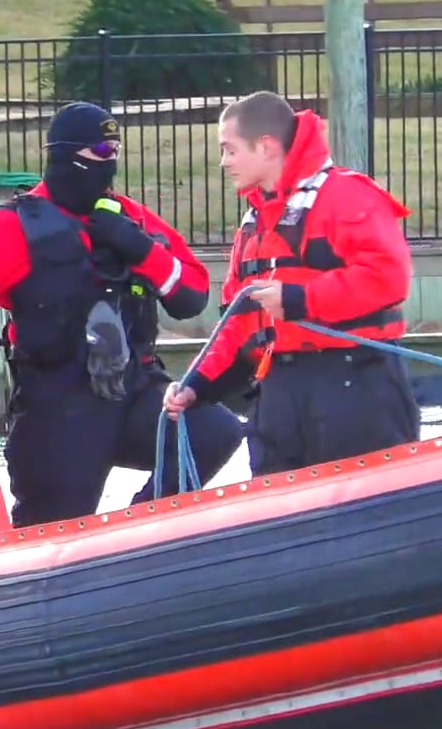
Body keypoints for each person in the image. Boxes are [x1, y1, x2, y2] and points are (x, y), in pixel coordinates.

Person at [0, 101, 245, 528]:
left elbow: (189, 295)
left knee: (213, 430)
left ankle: (136, 533)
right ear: (65, 155)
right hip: (58, 407)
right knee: (51, 539)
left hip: (134, 391)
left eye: (115, 151)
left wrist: (139, 250)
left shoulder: (130, 217)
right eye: (100, 152)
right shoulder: (16, 227)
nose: (109, 163)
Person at [163, 91, 422, 475]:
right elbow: (237, 323)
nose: (224, 162)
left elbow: (388, 277)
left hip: (356, 387)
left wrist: (301, 299)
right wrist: (196, 384)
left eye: (231, 150)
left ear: (265, 146)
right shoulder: (253, 227)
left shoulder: (348, 197)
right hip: (279, 395)